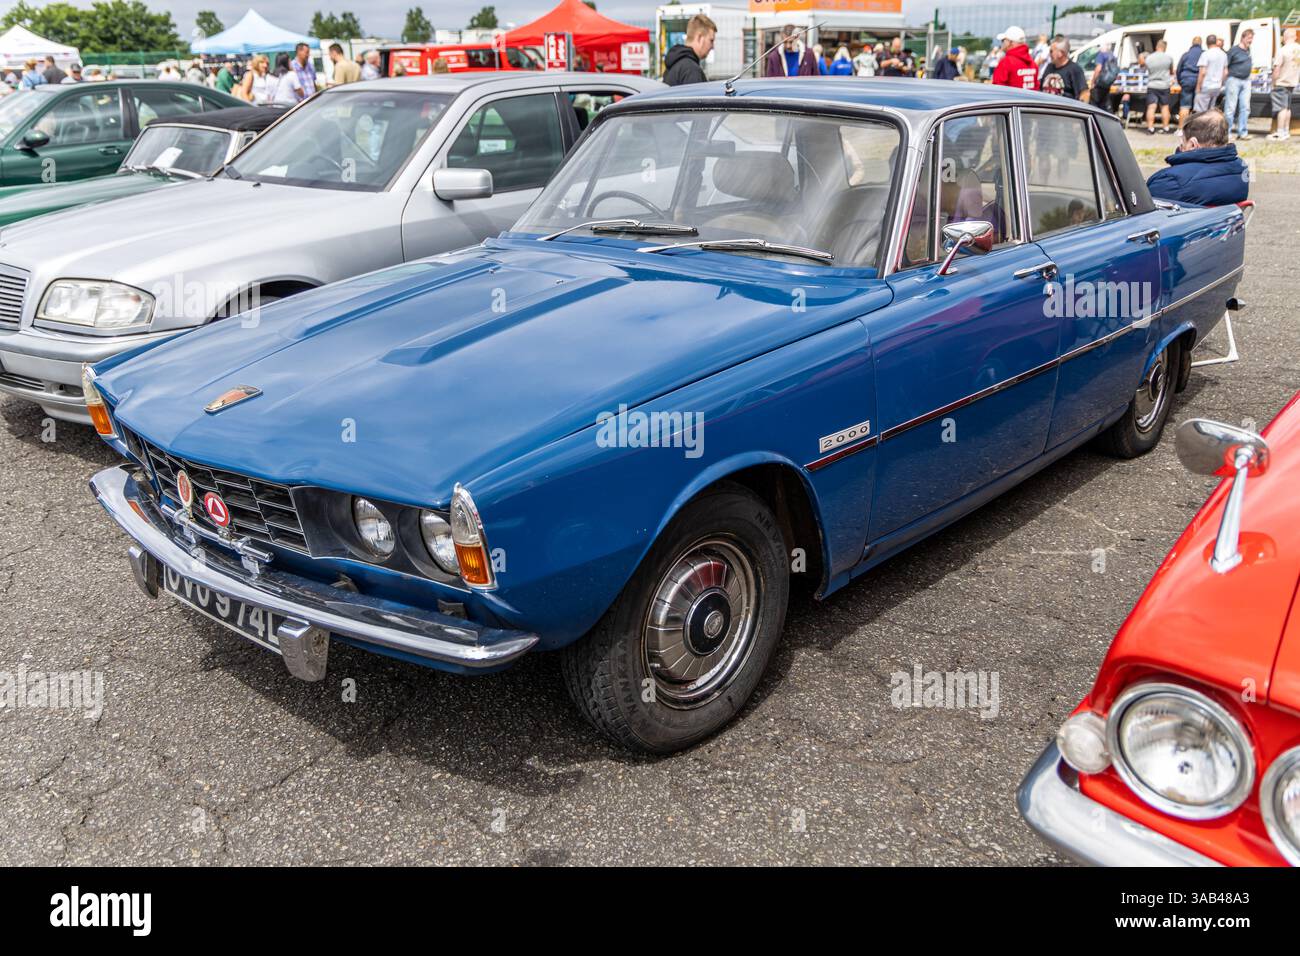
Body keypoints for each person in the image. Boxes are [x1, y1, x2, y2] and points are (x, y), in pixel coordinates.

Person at [1146, 109, 1248, 205]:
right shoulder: (1241, 169)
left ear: (1193, 145)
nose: (1180, 147)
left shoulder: (1172, 180)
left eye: (1182, 142)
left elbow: (1143, 210)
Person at [663, 13, 716, 86]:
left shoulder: (675, 64)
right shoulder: (691, 70)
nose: (712, 46)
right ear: (699, 37)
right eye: (711, 40)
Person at [1269, 27, 1300, 140]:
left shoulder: (1283, 50)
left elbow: (1277, 68)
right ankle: (1286, 131)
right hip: (1293, 82)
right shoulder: (1298, 49)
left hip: (1282, 82)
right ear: (1295, 36)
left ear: (1285, 37)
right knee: (1287, 108)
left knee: (1281, 108)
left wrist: (1273, 82)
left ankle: (1280, 132)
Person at [1223, 29, 1254, 140]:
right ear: (1243, 37)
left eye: (1252, 38)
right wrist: (1224, 80)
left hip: (1246, 81)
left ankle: (1243, 132)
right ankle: (1227, 133)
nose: (1251, 40)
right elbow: (1225, 66)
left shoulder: (1248, 50)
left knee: (1245, 107)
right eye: (1249, 38)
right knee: (1230, 108)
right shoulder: (1233, 50)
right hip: (1233, 80)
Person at [992, 26, 1037, 90]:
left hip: (1011, 99)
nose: (1002, 43)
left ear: (1010, 42)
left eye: (1003, 40)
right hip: (1029, 99)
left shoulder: (1006, 62)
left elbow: (997, 89)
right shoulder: (1033, 63)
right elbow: (1036, 88)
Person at [1144, 39, 1174, 133]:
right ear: (1164, 48)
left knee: (1151, 107)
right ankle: (1166, 127)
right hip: (1164, 85)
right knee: (1164, 107)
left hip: (1152, 85)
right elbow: (1171, 71)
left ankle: (1150, 128)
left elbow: (1147, 70)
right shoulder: (1168, 58)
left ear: (1157, 46)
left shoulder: (1149, 58)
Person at [1195, 34, 1227, 113]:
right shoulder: (1223, 54)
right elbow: (1225, 72)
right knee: (1210, 110)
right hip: (1216, 86)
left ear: (1206, 43)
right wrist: (1221, 84)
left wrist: (1198, 87)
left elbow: (1202, 72)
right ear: (1216, 42)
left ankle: (1201, 125)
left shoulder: (1205, 54)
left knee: (1200, 112)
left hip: (1206, 86)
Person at [1175, 36, 1203, 126]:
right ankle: (1196, 128)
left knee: (1184, 106)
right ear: (1201, 44)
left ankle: (1181, 129)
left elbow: (1178, 69)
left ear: (1192, 43)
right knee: (1198, 107)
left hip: (1186, 81)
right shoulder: (1203, 54)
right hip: (1199, 81)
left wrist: (1180, 81)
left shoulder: (1186, 55)